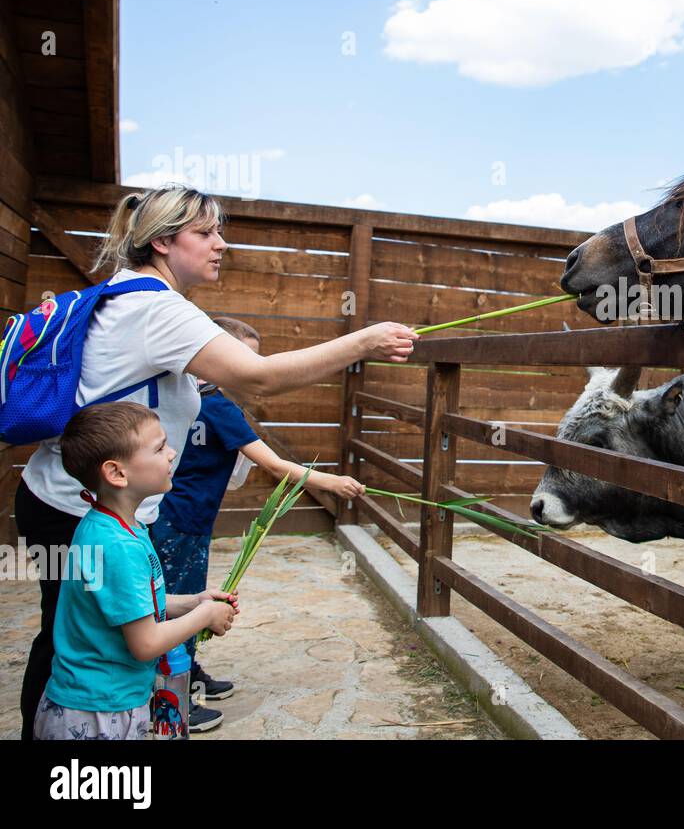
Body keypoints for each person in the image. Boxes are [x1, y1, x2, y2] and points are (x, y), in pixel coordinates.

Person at [16, 185, 415, 740]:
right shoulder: (155, 308)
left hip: (76, 495)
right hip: (80, 502)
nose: (220, 245)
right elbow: (260, 377)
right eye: (205, 233)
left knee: (74, 633)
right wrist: (363, 341)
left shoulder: (129, 297)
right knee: (73, 646)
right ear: (161, 243)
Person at [151, 314, 366, 732]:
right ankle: (169, 698)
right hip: (184, 522)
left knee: (177, 597)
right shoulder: (220, 408)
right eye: (242, 359)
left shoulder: (190, 398)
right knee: (181, 602)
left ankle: (187, 673)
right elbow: (272, 462)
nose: (250, 370)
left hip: (171, 517)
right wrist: (331, 481)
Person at [32, 402, 238, 740]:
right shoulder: (119, 547)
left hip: (91, 701)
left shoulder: (111, 526)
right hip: (99, 713)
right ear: (116, 473)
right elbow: (145, 643)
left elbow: (132, 602)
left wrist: (194, 601)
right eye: (159, 447)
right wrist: (204, 616)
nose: (172, 454)